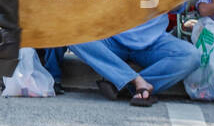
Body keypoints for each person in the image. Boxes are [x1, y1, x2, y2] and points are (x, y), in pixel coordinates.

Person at [70, 13, 202, 105]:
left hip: (154, 42)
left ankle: (124, 86)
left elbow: (178, 4)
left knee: (191, 55)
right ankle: (136, 81)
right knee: (71, 36)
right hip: (111, 38)